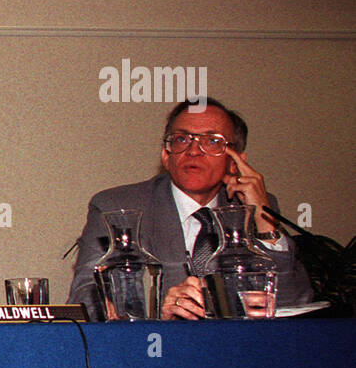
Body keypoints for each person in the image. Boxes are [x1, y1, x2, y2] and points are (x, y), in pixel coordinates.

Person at [68, 97, 312, 320]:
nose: (193, 151)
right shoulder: (119, 207)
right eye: (182, 139)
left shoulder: (253, 208)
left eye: (212, 141)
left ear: (234, 161)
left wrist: (263, 218)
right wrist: (158, 311)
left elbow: (296, 303)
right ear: (166, 155)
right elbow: (85, 299)